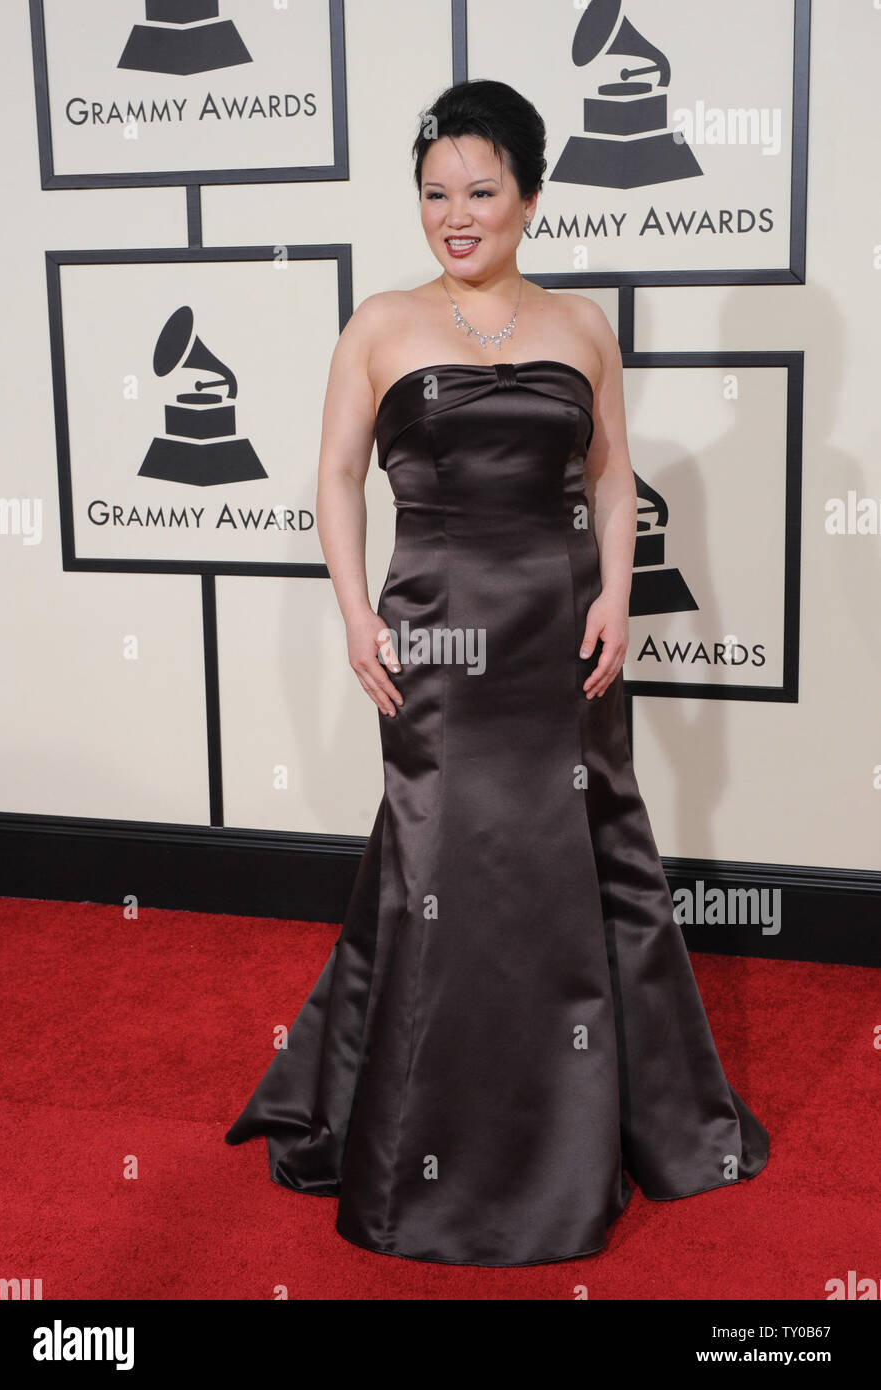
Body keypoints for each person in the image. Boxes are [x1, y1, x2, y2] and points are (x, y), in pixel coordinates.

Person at [225, 78, 769, 1267]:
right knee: (443, 860)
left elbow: (614, 474)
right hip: (433, 632)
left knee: (583, 857)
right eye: (433, 194)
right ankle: (435, 1144)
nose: (454, 216)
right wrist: (355, 612)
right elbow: (332, 476)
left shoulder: (580, 325)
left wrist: (620, 593)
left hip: (562, 630)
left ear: (530, 194)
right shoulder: (378, 322)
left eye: (480, 192)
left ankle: (604, 1122)